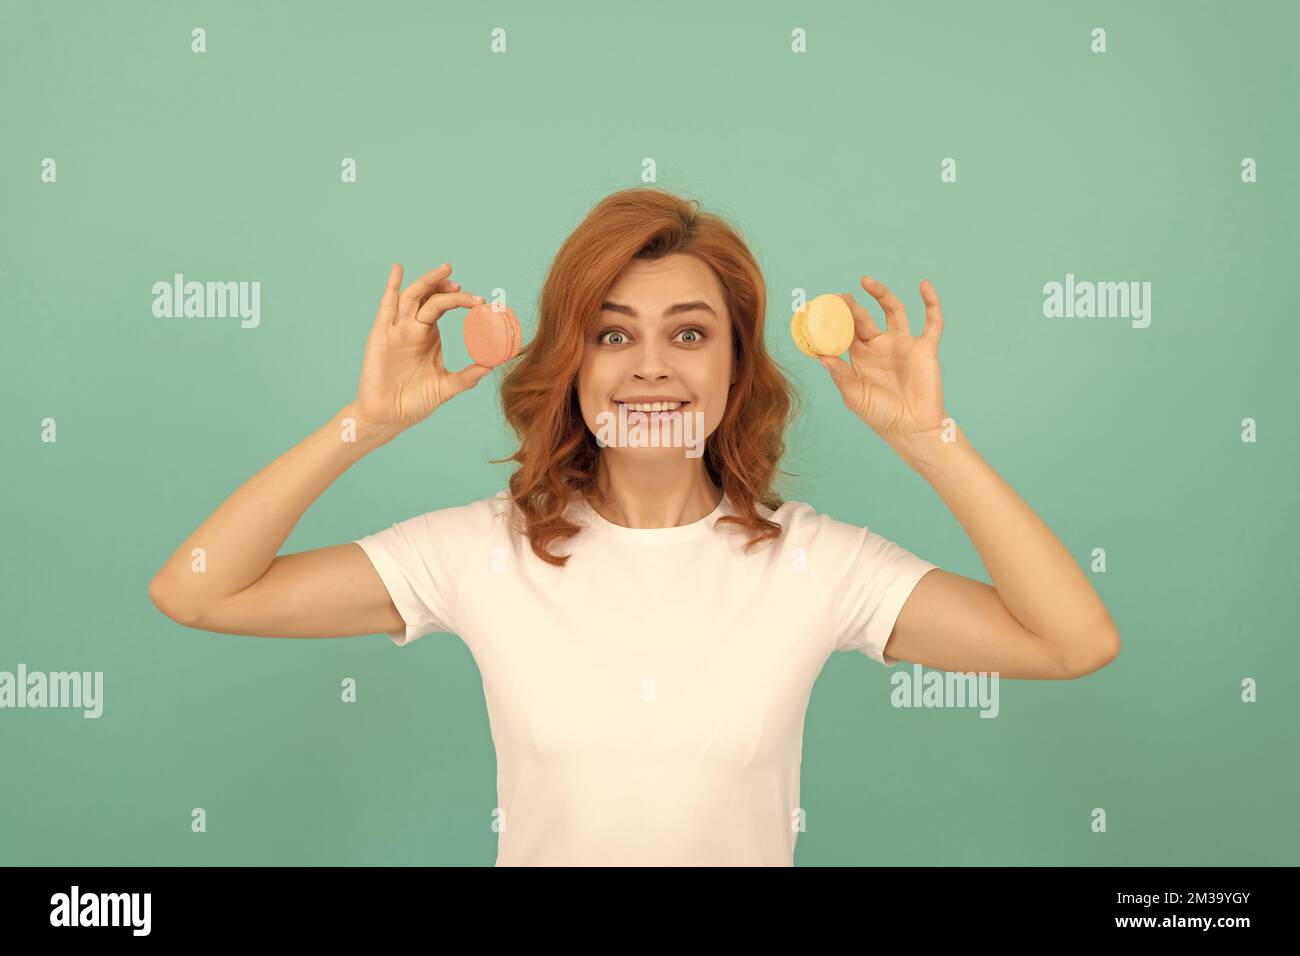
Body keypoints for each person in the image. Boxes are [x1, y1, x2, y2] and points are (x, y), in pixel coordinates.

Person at [148, 186, 1120, 866]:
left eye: (689, 333)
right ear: (572, 362)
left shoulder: (814, 561)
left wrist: (928, 438)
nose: (650, 365)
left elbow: (1073, 640)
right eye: (612, 333)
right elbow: (198, 587)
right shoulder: (479, 551)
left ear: (736, 367)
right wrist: (369, 422)